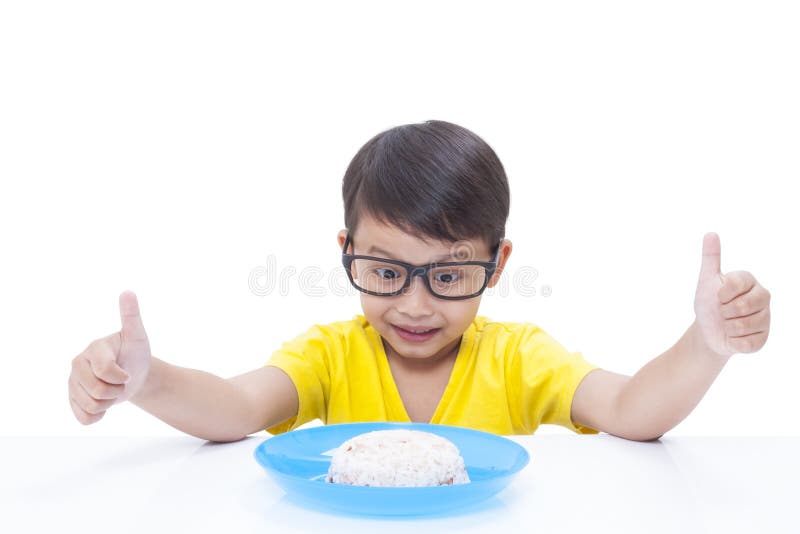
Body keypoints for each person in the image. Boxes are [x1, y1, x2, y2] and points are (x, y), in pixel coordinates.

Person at [67, 120, 772, 442]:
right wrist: (148, 381)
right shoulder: (332, 354)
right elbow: (233, 408)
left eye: (447, 274)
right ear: (346, 251)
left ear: (495, 265)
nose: (413, 304)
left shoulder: (518, 357)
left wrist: (706, 344)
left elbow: (630, 410)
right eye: (384, 271)